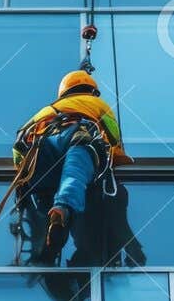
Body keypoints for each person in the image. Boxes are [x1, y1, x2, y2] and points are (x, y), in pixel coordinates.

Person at [11, 69, 131, 264]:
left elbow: (19, 145)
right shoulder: (97, 104)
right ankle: (62, 209)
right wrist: (116, 157)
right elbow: (113, 136)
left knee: (43, 191)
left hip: (42, 148)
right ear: (92, 91)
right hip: (77, 136)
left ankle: (45, 232)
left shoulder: (46, 110)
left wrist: (22, 168)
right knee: (74, 173)